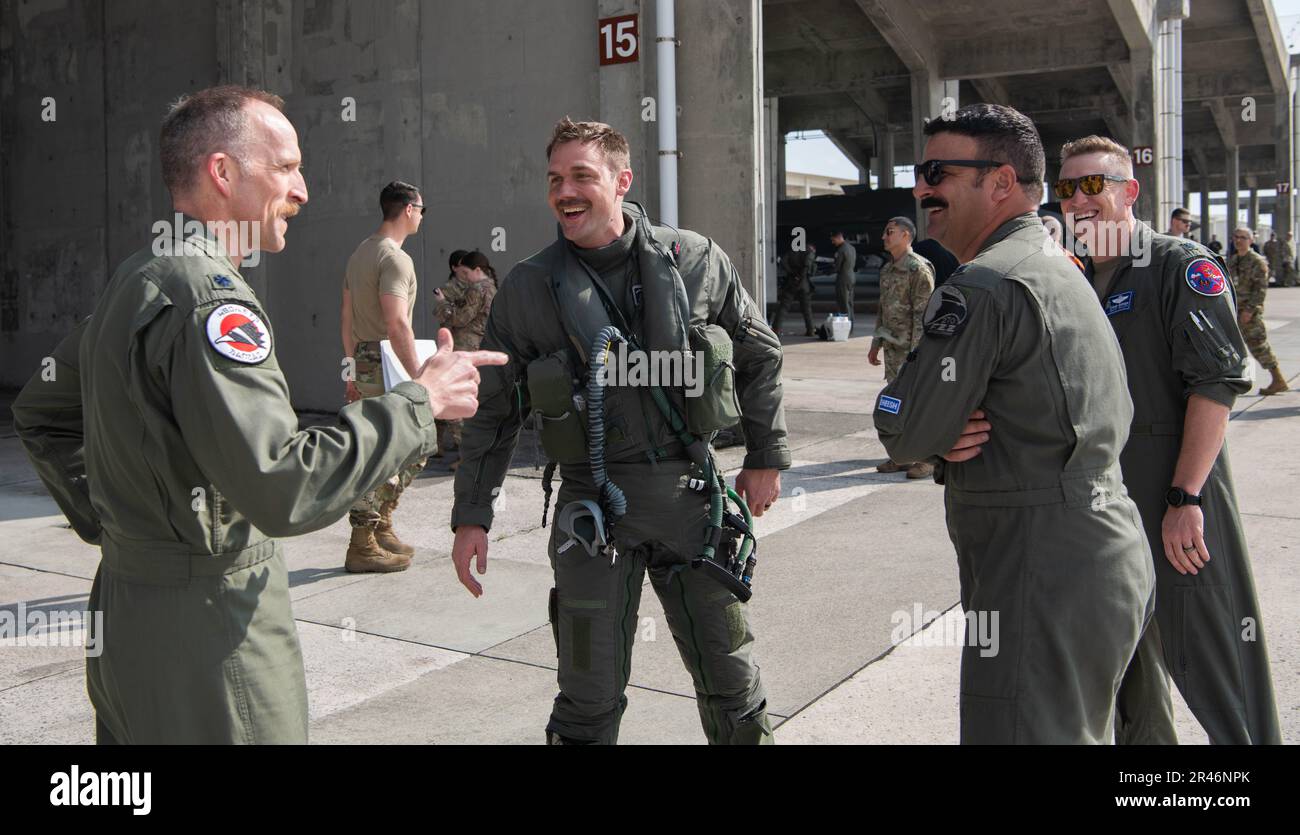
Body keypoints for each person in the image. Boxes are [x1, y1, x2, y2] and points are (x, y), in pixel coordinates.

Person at [9, 85, 505, 744]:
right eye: (286, 167)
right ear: (222, 172)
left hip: (128, 625)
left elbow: (42, 409)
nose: (303, 192)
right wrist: (420, 403)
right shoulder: (210, 301)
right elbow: (282, 485)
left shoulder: (141, 276)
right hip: (213, 642)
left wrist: (129, 528)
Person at [449, 117, 789, 745]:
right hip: (590, 510)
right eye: (555, 179)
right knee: (587, 698)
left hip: (693, 498)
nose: (565, 192)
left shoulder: (695, 261)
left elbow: (759, 353)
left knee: (733, 684)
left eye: (582, 176)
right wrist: (473, 514)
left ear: (622, 180)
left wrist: (766, 454)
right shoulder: (528, 287)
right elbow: (495, 410)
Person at [873, 104, 1154, 744]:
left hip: (1038, 567)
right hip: (1097, 549)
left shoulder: (987, 284)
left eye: (937, 172)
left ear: (1000, 181)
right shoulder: (1057, 265)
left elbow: (908, 429)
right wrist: (940, 433)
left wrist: (897, 413)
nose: (921, 188)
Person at [1057, 134, 1281, 745]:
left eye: (1093, 184)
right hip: (1107, 508)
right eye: (1067, 187)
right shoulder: (1079, 283)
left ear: (1129, 191)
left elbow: (1217, 384)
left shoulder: (1179, 264)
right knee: (1131, 675)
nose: (1078, 199)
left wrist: (1186, 499)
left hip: (1173, 498)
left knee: (1217, 666)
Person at [340, 180, 430, 573]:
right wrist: (422, 379)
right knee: (410, 446)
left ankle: (380, 527)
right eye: (422, 209)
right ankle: (362, 542)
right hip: (386, 361)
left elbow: (346, 317)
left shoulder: (360, 253)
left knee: (385, 449)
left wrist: (351, 367)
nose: (423, 217)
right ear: (409, 209)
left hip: (364, 360)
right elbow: (397, 324)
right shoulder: (395, 259)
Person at [868, 216, 935, 479]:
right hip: (892, 350)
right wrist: (875, 343)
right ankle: (901, 455)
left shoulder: (918, 269)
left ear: (906, 235)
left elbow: (925, 315)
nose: (885, 236)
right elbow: (882, 310)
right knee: (895, 403)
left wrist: (917, 353)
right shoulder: (887, 270)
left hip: (912, 350)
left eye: (890, 231)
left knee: (917, 403)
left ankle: (927, 459)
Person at [434, 249, 498, 463]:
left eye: (467, 272)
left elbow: (460, 319)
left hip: (465, 347)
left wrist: (443, 303)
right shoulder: (491, 288)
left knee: (455, 398)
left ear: (477, 270)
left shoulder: (477, 289)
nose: (466, 278)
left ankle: (467, 455)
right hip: (477, 346)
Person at [1227, 227, 1290, 395]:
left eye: (1243, 237)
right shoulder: (1233, 260)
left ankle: (1278, 379)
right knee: (1234, 347)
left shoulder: (1257, 261)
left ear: (1251, 241)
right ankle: (1238, 379)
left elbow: (1260, 289)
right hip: (1234, 311)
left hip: (1249, 312)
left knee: (1258, 345)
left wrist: (1250, 310)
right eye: (1236, 237)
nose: (1239, 240)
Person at [774, 243, 816, 336]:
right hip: (804, 284)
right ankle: (810, 330)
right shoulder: (809, 252)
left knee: (783, 307)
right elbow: (807, 266)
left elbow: (783, 262)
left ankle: (776, 329)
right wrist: (801, 277)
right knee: (806, 309)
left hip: (791, 283)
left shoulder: (791, 252)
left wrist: (792, 273)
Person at [831, 230, 857, 327]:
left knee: (843, 303)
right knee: (850, 303)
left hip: (843, 278)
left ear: (839, 238)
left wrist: (829, 271)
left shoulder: (841, 250)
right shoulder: (852, 248)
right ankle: (851, 325)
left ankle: (845, 327)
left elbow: (837, 266)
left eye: (834, 240)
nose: (833, 243)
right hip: (852, 276)